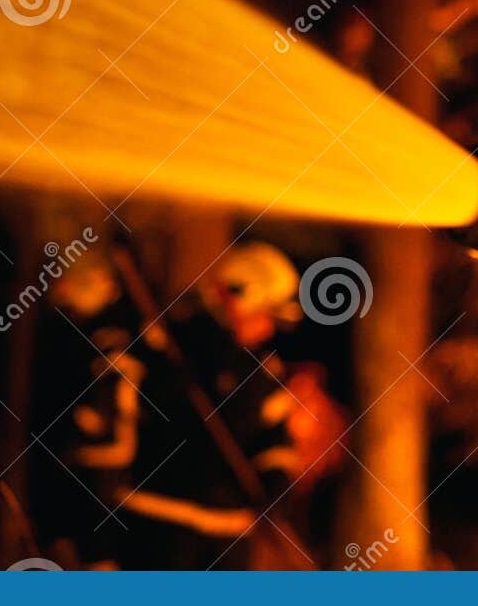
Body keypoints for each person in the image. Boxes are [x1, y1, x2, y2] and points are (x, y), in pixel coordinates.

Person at [55, 240, 345, 568]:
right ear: (232, 296)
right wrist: (98, 546)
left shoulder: (260, 373)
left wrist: (274, 485)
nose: (266, 329)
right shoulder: (159, 351)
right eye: (263, 315)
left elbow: (274, 439)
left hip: (229, 538)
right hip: (157, 532)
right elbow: (104, 451)